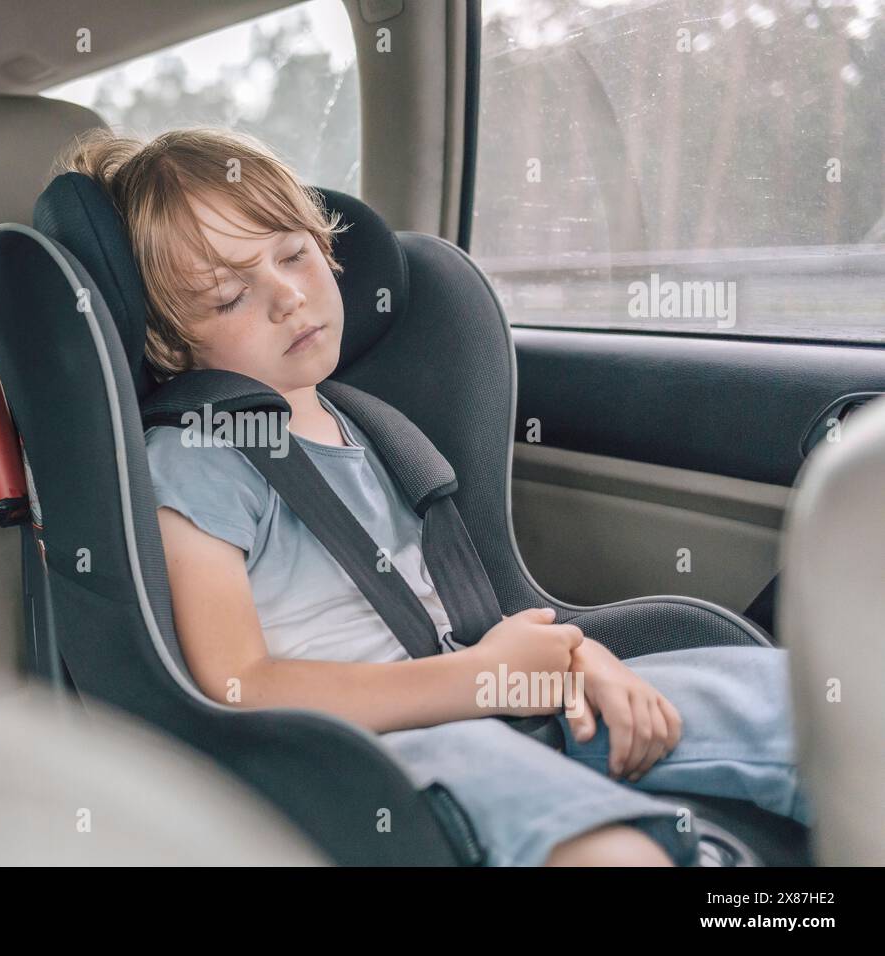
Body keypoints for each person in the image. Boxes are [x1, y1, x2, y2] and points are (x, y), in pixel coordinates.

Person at [54, 126, 812, 866]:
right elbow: (237, 686)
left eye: (294, 254)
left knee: (798, 703)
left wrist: (575, 657)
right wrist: (482, 681)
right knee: (615, 850)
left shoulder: (366, 423)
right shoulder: (195, 458)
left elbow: (449, 613)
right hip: (374, 748)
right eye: (229, 297)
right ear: (169, 345)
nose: (288, 297)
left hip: (477, 688)